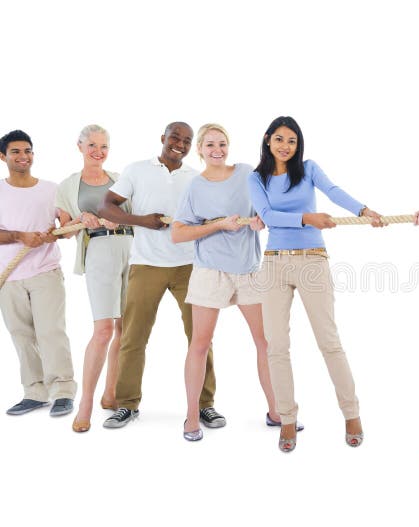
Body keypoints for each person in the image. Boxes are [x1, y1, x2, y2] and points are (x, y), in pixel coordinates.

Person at [248, 116, 384, 452]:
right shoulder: (257, 177)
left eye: (292, 141)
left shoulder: (308, 169)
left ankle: (351, 413)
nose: (285, 146)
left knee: (329, 341)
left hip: (312, 260)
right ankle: (287, 418)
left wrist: (363, 210)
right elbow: (266, 215)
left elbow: (333, 191)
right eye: (279, 139)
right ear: (268, 140)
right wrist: (307, 218)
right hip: (276, 263)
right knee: (276, 345)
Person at [98, 122, 225, 429]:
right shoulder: (137, 170)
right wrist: (141, 220)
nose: (179, 144)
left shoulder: (196, 177)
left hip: (189, 266)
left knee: (200, 338)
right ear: (163, 139)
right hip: (145, 265)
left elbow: (211, 218)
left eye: (186, 140)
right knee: (133, 337)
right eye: (174, 138)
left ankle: (204, 404)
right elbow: (106, 206)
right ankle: (127, 404)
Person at [172, 123, 281, 441]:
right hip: (210, 272)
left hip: (248, 270)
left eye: (221, 143)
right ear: (200, 150)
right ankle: (192, 417)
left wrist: (261, 218)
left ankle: (277, 411)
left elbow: (266, 207)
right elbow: (178, 233)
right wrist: (218, 225)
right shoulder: (195, 187)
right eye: (209, 145)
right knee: (200, 344)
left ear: (228, 146)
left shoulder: (248, 174)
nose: (216, 149)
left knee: (266, 343)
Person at [56, 125, 132, 433]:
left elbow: (135, 216)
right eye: (92, 145)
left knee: (125, 329)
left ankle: (110, 393)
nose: (98, 151)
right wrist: (79, 219)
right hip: (98, 250)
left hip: (131, 249)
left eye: (103, 146)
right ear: (80, 146)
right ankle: (85, 402)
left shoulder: (120, 181)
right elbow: (65, 231)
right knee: (103, 329)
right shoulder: (68, 186)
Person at [0, 130, 77, 417]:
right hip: (8, 277)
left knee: (51, 332)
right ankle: (35, 392)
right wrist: (20, 236)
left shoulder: (51, 189)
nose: (23, 157)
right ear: (3, 156)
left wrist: (62, 228)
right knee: (21, 335)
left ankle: (63, 392)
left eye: (28, 151)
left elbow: (65, 224)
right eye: (16, 152)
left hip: (45, 272)